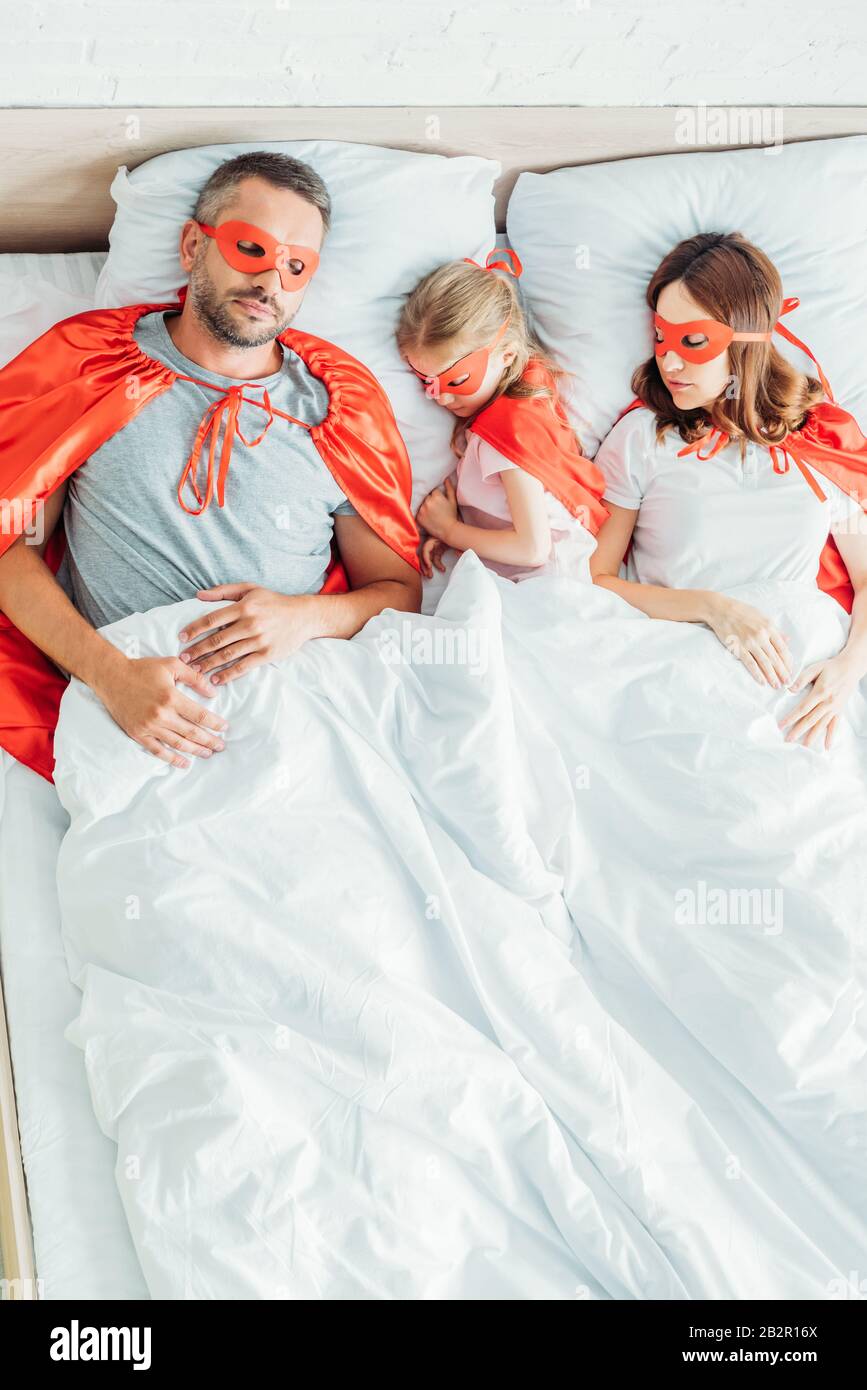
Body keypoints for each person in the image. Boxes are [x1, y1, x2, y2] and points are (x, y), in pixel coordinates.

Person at [0, 151, 421, 778]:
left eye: (296, 266)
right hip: (135, 713)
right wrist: (110, 674)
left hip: (301, 711)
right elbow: (10, 551)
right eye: (251, 248)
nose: (271, 282)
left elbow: (399, 593)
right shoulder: (91, 366)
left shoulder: (340, 405)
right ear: (194, 245)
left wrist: (302, 618)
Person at [590, 231, 867, 750]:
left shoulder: (819, 436)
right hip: (688, 669)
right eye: (660, 338)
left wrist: (848, 669)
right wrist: (713, 608)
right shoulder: (644, 437)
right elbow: (594, 580)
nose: (669, 363)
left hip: (817, 687)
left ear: (746, 342)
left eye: (692, 342)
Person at [396, 251, 607, 582]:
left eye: (457, 380)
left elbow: (533, 549)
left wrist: (451, 531)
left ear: (506, 355)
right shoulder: (523, 394)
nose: (440, 396)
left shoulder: (506, 431)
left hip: (546, 585)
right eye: (427, 382)